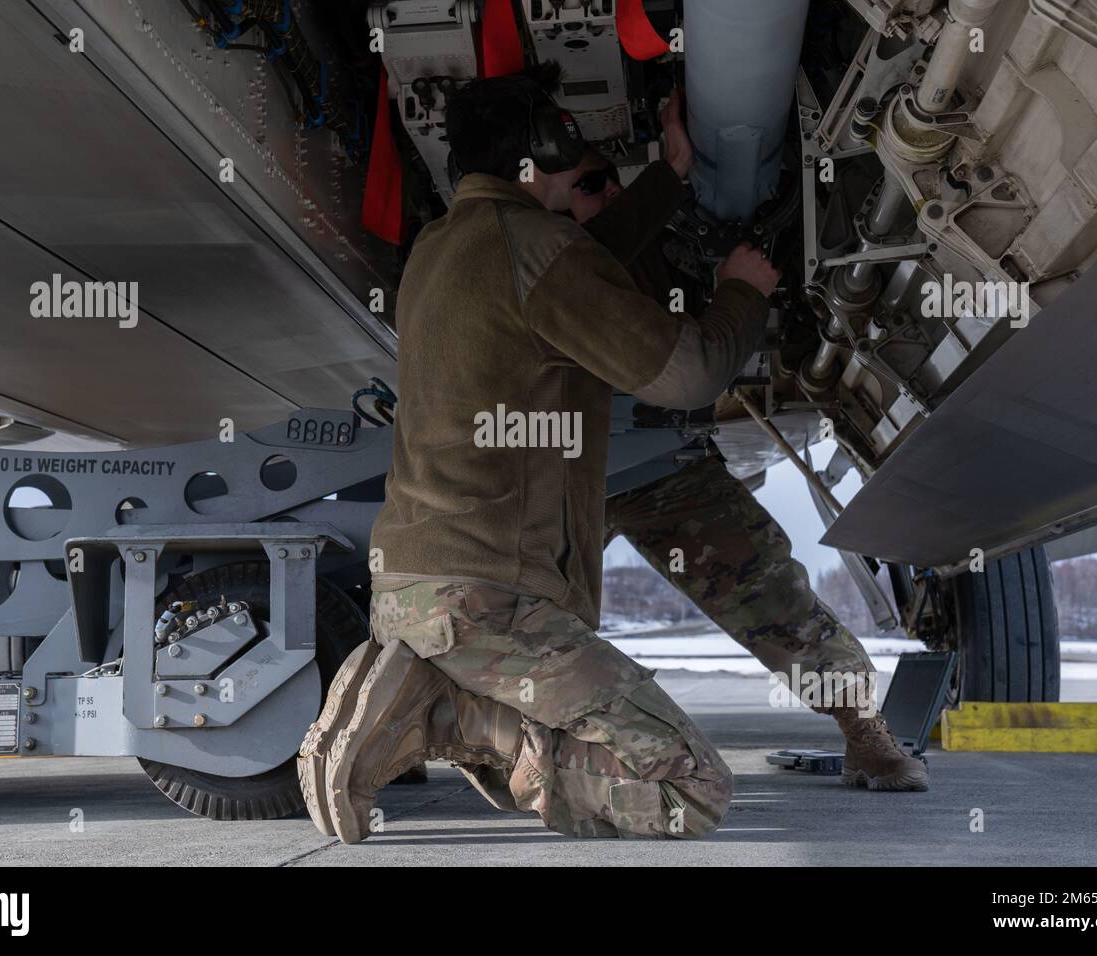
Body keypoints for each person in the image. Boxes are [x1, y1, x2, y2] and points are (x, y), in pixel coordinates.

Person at [297, 68, 777, 841]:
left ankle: (434, 695)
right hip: (491, 605)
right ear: (545, 147)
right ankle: (459, 718)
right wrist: (741, 293)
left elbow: (574, 274)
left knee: (618, 749)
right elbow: (689, 370)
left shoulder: (444, 245)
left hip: (417, 590)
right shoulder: (538, 248)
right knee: (695, 792)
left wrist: (670, 177)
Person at [567, 147, 929, 792]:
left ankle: (861, 729)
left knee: (767, 588)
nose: (611, 195)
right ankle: (466, 736)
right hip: (557, 472)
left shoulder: (655, 247)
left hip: (659, 464)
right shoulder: (541, 258)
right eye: (591, 186)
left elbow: (703, 352)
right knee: (502, 607)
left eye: (615, 184)